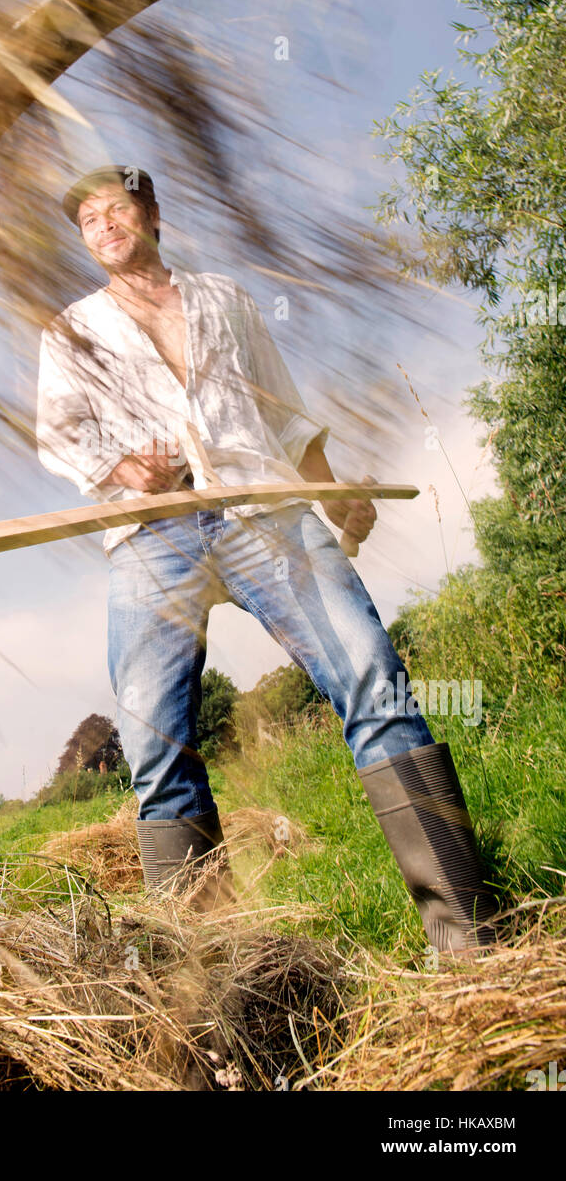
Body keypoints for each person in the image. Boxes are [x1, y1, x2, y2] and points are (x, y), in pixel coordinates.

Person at [36, 165, 497, 952]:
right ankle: (211, 977)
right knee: (155, 745)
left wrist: (326, 490)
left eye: (117, 208)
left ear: (152, 217)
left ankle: (467, 943)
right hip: (151, 534)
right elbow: (59, 431)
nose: (105, 224)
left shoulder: (225, 299)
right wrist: (123, 468)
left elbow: (283, 414)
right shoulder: (69, 329)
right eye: (88, 219)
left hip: (264, 511)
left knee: (371, 683)